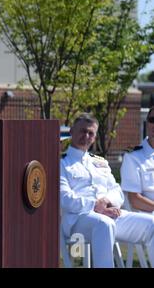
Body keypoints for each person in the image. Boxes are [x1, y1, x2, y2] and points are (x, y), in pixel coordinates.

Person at [60, 112, 154, 267]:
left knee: (151, 223)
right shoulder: (61, 163)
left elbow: (117, 191)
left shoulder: (100, 162)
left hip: (109, 214)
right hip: (77, 219)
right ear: (71, 132)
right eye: (83, 131)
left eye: (91, 133)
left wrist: (106, 201)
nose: (86, 135)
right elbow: (65, 198)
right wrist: (96, 206)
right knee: (104, 224)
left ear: (95, 137)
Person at [121, 107, 154, 213]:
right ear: (147, 123)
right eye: (152, 120)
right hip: (147, 218)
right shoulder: (133, 157)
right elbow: (134, 200)